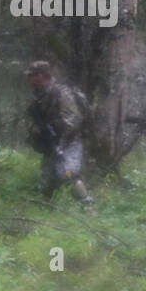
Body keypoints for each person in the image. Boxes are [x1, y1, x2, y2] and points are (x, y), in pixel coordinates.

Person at [25, 61, 94, 206]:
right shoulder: (37, 97)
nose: (29, 79)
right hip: (51, 144)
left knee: (67, 173)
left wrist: (55, 130)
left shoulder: (61, 93)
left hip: (69, 141)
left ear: (42, 75)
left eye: (32, 75)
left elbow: (73, 120)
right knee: (47, 180)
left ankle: (85, 203)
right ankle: (47, 209)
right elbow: (31, 120)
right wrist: (37, 132)